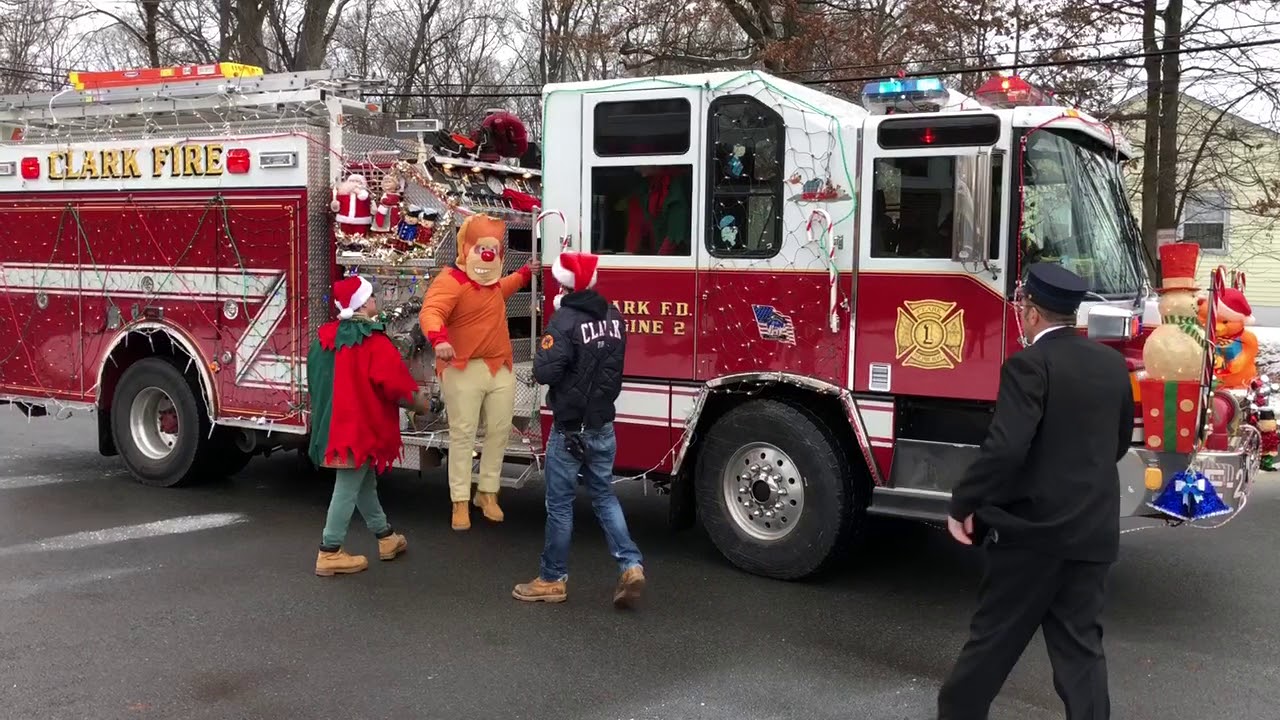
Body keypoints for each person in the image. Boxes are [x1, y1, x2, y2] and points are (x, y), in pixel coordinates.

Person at [937, 262, 1135, 720]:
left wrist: (963, 503)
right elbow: (1119, 442)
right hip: (1092, 535)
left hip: (1030, 539)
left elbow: (1005, 450)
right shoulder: (1111, 363)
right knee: (1081, 658)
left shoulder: (1028, 365)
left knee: (987, 655)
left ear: (1029, 312)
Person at [512, 251, 645, 607]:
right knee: (604, 495)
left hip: (570, 428)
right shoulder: (615, 316)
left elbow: (545, 372)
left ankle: (552, 579)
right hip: (603, 424)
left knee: (560, 505)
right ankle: (631, 565)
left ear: (563, 283)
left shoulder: (564, 320)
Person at [418, 214, 536, 530]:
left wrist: (525, 273)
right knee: (463, 434)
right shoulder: (451, 280)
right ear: (466, 247)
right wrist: (439, 338)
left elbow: (502, 288)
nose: (488, 254)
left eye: (494, 249)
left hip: (499, 365)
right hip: (461, 366)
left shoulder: (492, 281)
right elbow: (431, 311)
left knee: (499, 431)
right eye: (482, 247)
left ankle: (487, 493)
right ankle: (459, 500)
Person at [307, 275, 430, 577]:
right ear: (363, 304)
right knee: (347, 487)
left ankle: (385, 537)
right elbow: (395, 385)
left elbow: (314, 380)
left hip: (333, 424)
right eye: (372, 296)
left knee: (363, 483)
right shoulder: (374, 342)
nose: (376, 300)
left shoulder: (324, 339)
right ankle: (330, 550)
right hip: (360, 428)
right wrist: (421, 402)